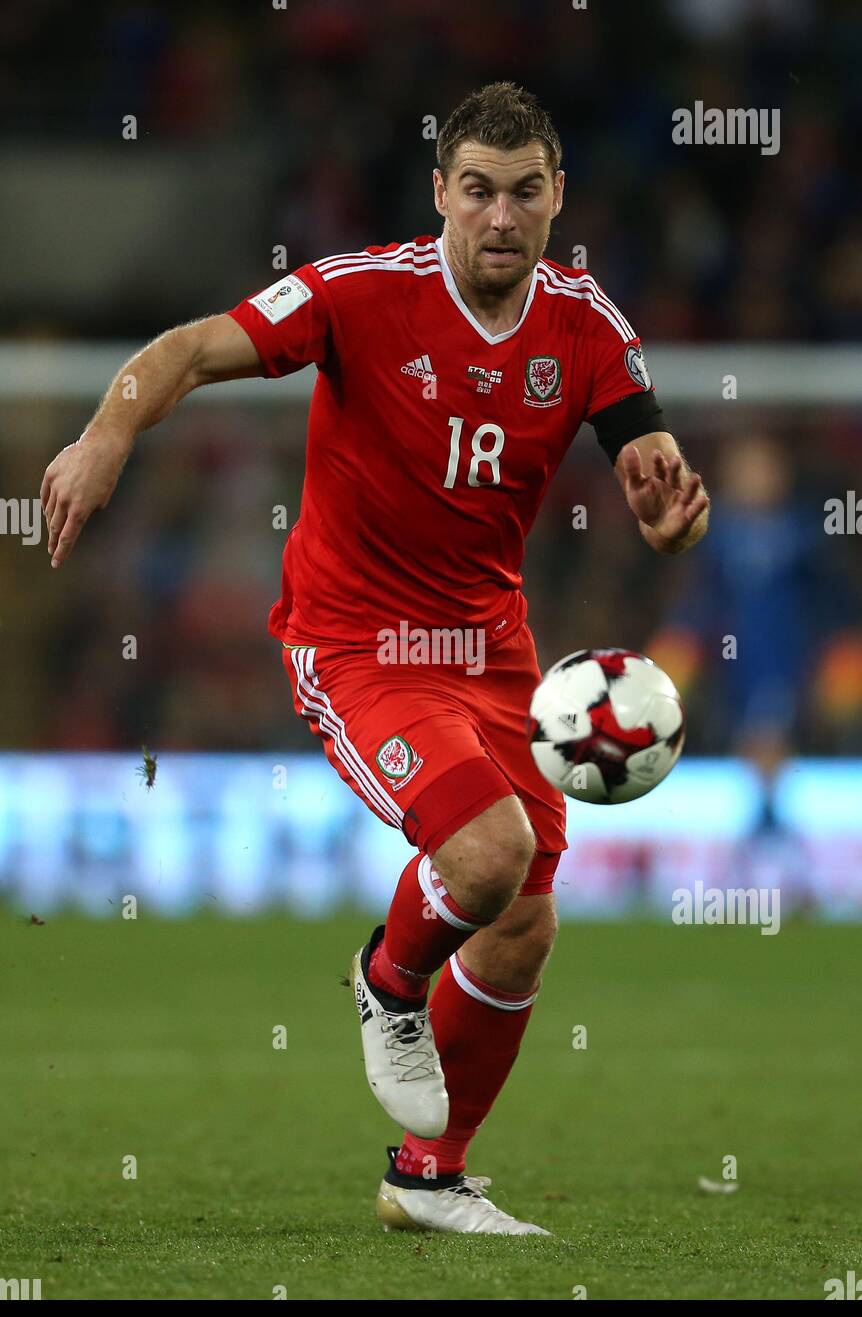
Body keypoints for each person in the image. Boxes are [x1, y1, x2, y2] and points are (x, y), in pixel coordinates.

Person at [40, 82, 709, 1235]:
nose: (502, 216)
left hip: (493, 650)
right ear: (441, 194)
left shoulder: (586, 321)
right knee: (488, 857)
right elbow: (193, 349)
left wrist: (668, 508)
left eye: (526, 191)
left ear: (558, 199)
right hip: (355, 642)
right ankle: (387, 979)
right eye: (479, 191)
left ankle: (427, 1176)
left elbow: (645, 448)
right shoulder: (361, 294)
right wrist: (105, 433)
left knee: (522, 923)